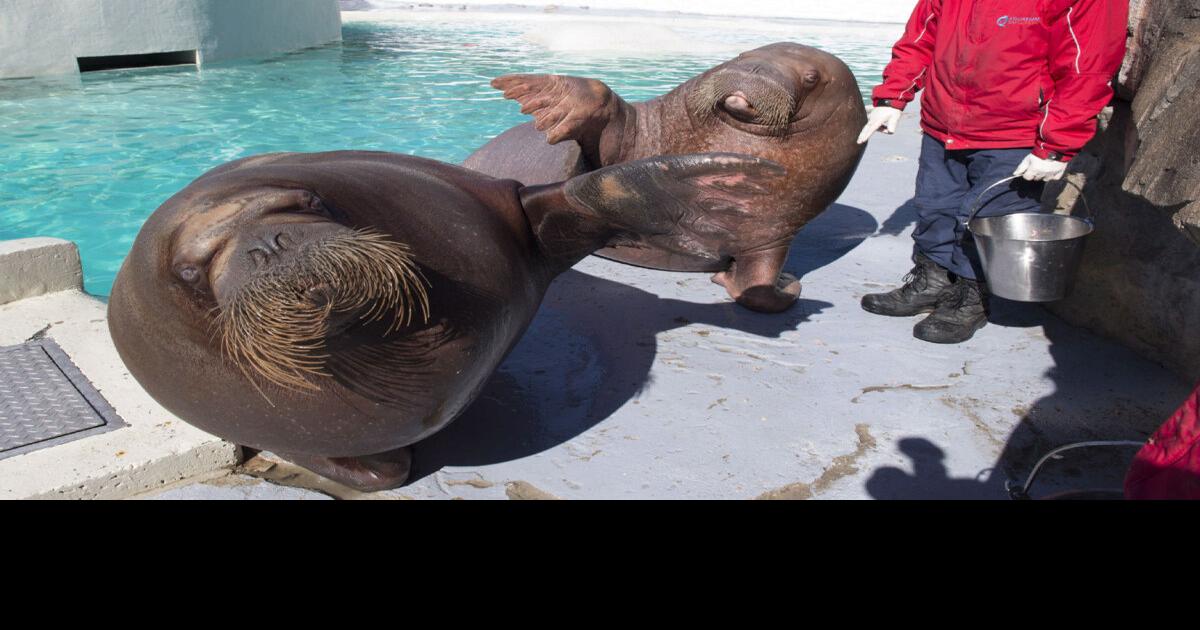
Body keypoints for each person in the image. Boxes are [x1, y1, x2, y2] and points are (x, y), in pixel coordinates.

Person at [857, 0, 1129, 343]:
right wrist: (893, 96)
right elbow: (921, 36)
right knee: (934, 205)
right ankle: (933, 281)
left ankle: (972, 298)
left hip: (1014, 133)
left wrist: (1056, 144)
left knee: (990, 217)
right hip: (944, 123)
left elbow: (1087, 65)